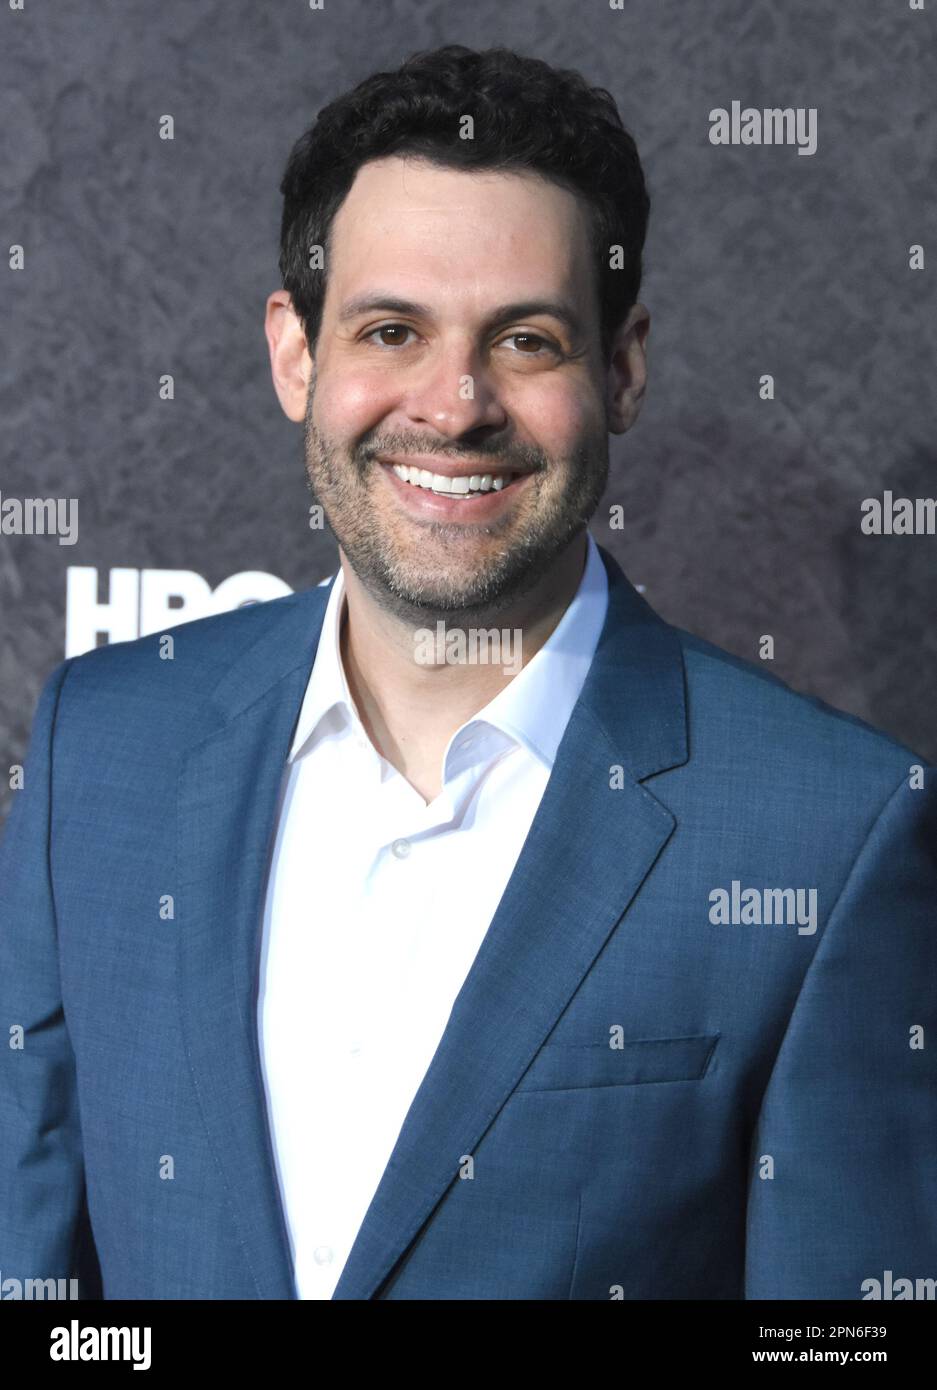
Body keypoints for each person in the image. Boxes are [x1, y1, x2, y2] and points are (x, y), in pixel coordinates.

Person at [1, 44, 934, 1302]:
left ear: (622, 368)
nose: (454, 405)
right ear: (295, 354)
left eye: (528, 341)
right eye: (391, 330)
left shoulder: (827, 834)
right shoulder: (99, 748)